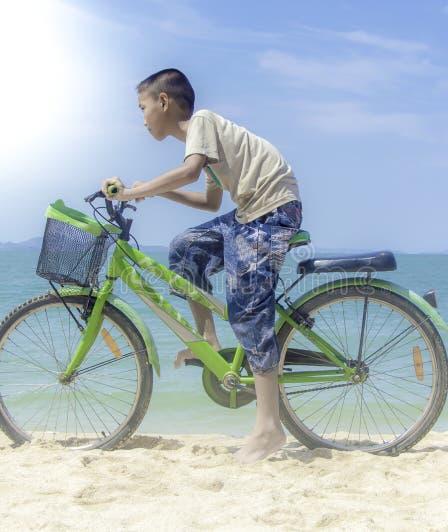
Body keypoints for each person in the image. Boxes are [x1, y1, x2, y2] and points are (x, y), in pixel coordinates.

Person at [101, 68, 302, 463]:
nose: (141, 118)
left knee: (246, 306)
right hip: (249, 214)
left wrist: (135, 190)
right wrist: (155, 195)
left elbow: (189, 170)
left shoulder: (203, 123)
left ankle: (268, 427)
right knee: (185, 248)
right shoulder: (205, 149)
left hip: (273, 210)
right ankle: (207, 340)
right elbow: (210, 203)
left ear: (163, 102)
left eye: (142, 108)